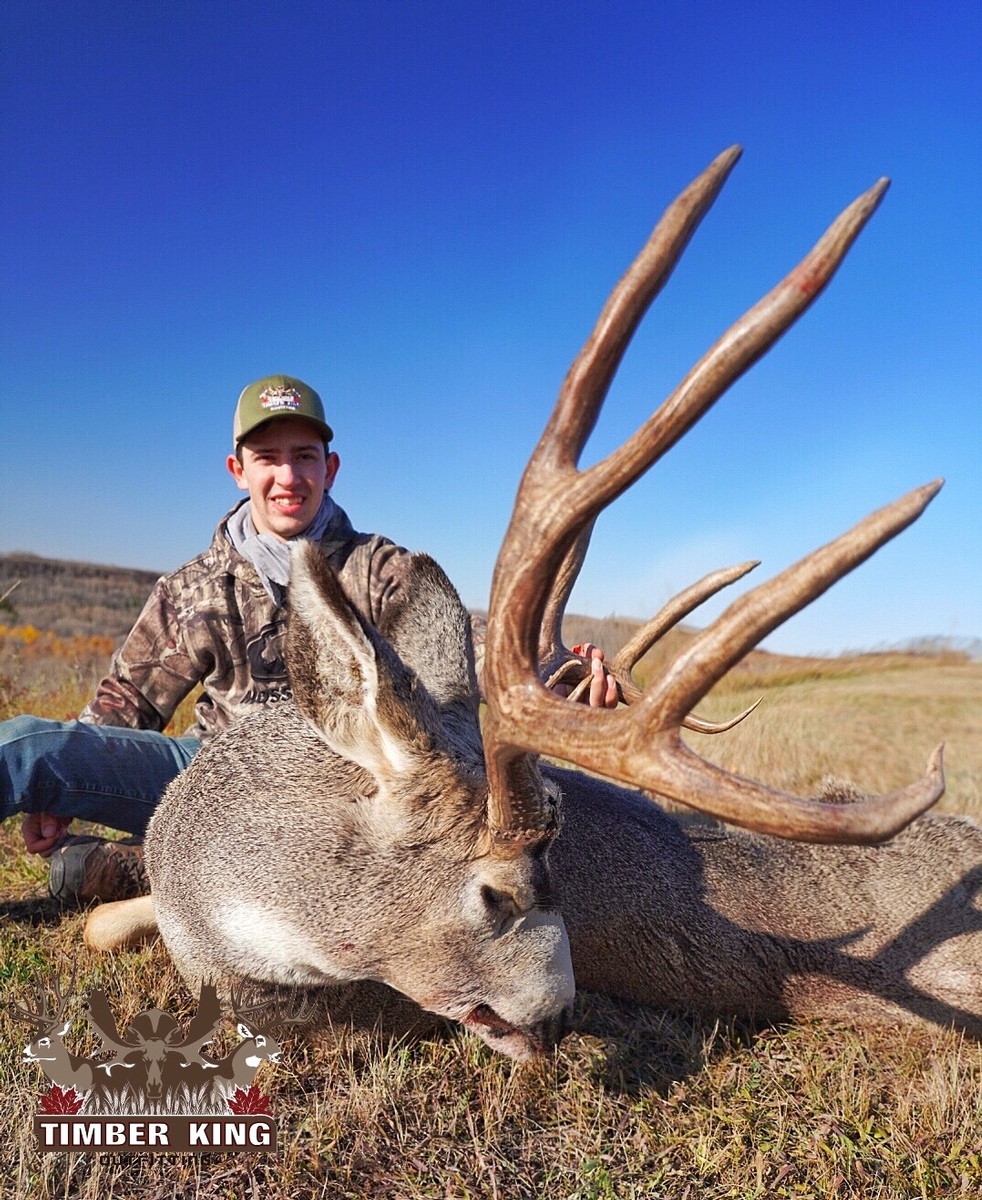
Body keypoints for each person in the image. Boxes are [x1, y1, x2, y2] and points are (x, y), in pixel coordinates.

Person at [1, 375, 617, 906]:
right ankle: (164, 866)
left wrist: (559, 674)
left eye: (304, 455)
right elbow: (123, 705)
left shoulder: (382, 571)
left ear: (331, 467)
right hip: (210, 781)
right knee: (31, 748)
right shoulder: (192, 589)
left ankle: (149, 871)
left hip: (355, 796)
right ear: (238, 470)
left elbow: (471, 651)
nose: (287, 476)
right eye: (267, 457)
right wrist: (60, 791)